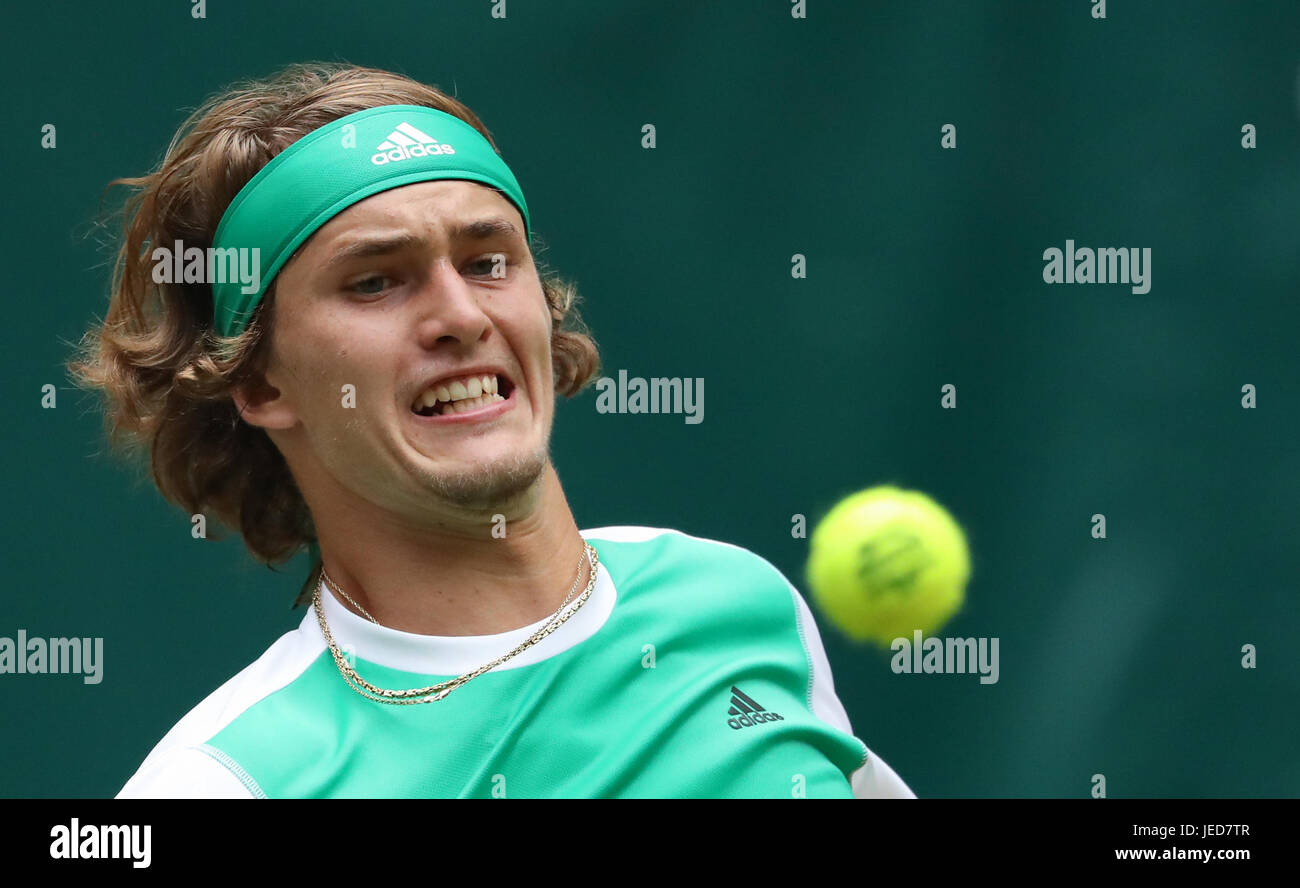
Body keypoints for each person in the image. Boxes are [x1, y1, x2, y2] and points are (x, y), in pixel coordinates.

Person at [70, 62, 915, 799]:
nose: (460, 315)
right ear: (255, 379)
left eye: (487, 261)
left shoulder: (737, 605)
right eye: (374, 282)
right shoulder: (227, 782)